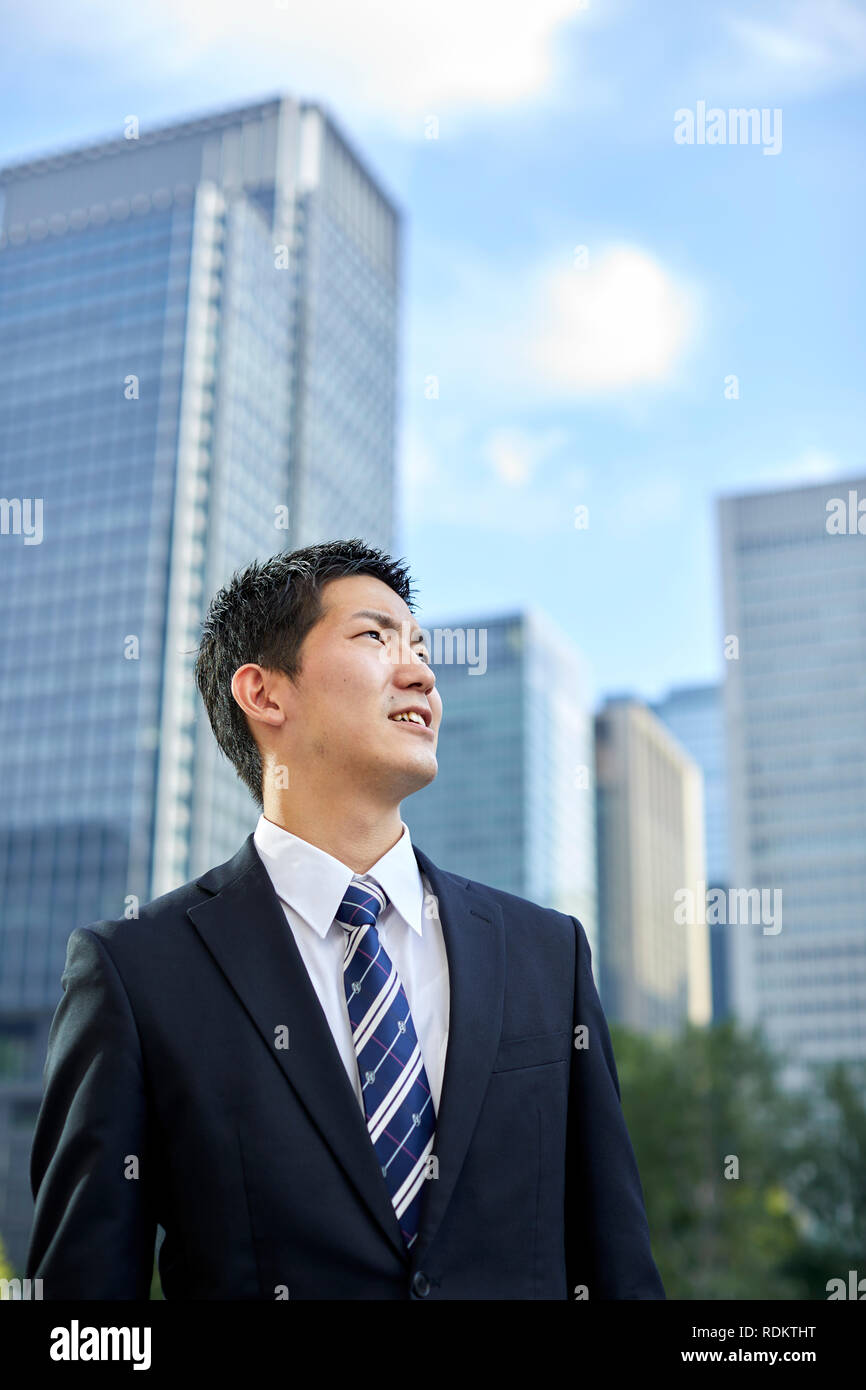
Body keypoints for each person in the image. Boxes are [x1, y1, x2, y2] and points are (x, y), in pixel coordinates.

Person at [26, 539, 665, 1300]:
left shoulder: (546, 953)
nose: (422, 673)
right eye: (374, 637)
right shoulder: (135, 974)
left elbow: (619, 1267)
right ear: (264, 694)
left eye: (421, 649)